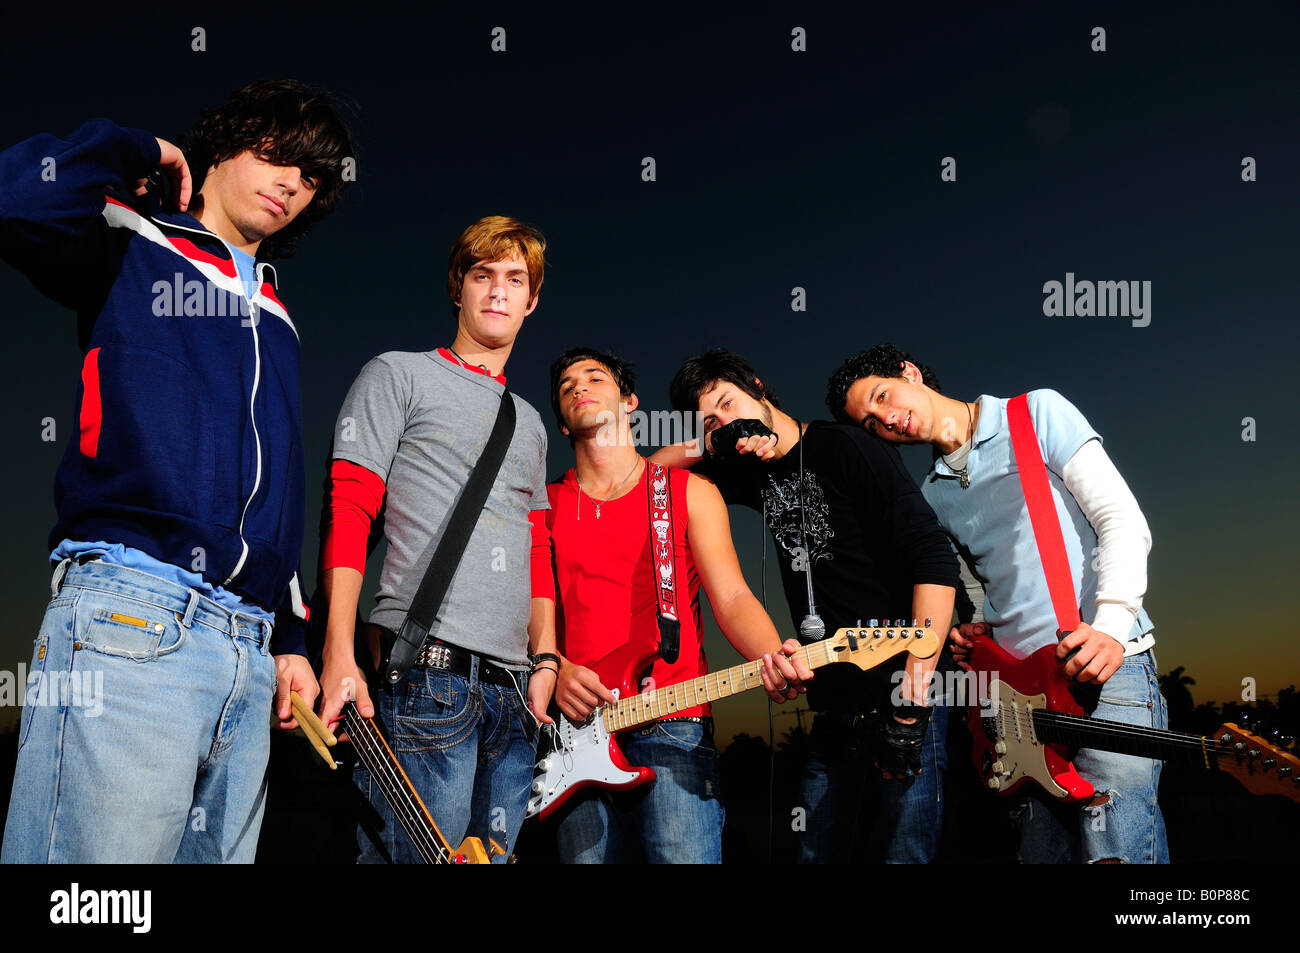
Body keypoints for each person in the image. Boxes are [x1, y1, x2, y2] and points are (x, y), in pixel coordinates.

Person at [0, 80, 355, 863]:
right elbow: (17, 195)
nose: (293, 181)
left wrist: (290, 638)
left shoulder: (278, 314)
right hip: (133, 618)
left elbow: (281, 491)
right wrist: (135, 147)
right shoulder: (131, 237)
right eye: (277, 153)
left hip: (248, 653)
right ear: (221, 146)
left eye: (314, 175)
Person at [826, 342, 1168, 864]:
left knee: (1115, 851)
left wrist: (1113, 625)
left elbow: (1120, 519)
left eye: (882, 396)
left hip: (1102, 666)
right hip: (1013, 701)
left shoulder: (1035, 413)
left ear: (910, 373)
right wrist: (977, 629)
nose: (886, 419)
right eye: (871, 423)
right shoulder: (930, 494)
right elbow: (974, 579)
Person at [314, 216, 556, 864]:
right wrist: (338, 646)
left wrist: (547, 661)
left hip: (512, 700)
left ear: (532, 299)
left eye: (515, 279)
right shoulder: (397, 373)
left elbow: (538, 549)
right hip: (427, 680)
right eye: (483, 275)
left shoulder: (530, 423)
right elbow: (349, 506)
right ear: (458, 287)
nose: (498, 291)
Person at [660, 351, 957, 863]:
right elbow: (647, 474)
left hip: (907, 690)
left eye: (729, 402)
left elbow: (933, 557)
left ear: (758, 385)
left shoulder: (845, 444)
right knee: (814, 853)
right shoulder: (746, 471)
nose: (727, 420)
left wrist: (910, 705)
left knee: (906, 854)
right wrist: (712, 441)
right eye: (712, 418)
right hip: (834, 704)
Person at [545, 347, 812, 863]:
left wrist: (775, 652)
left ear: (630, 403)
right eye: (566, 386)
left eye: (595, 377)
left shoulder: (688, 493)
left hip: (674, 722)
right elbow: (526, 612)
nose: (580, 386)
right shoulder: (544, 504)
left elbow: (732, 596)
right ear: (560, 425)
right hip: (573, 734)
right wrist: (553, 669)